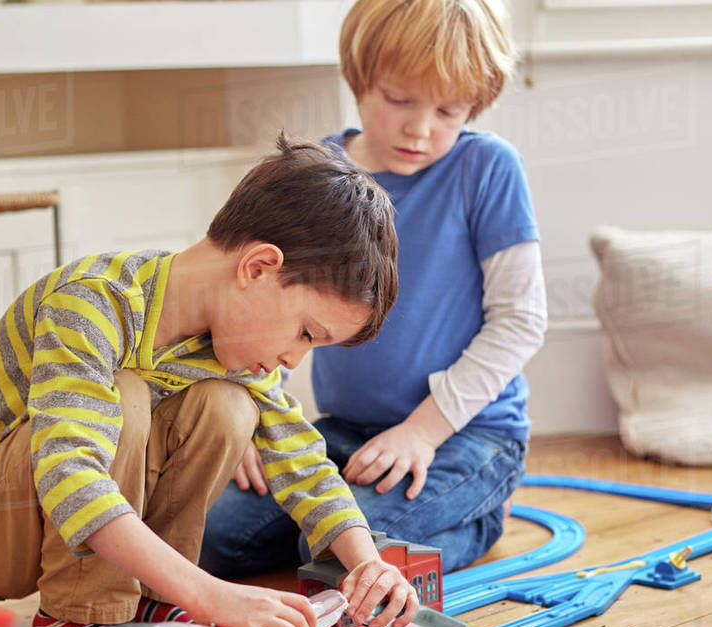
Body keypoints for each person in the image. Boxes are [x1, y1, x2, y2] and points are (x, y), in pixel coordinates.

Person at [0, 135, 419, 627]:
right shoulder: (94, 303)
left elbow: (304, 464)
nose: (295, 359)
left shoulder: (236, 350)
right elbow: (71, 476)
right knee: (124, 393)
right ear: (258, 268)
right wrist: (208, 593)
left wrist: (367, 561)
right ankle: (76, 617)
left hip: (59, 518)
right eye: (306, 333)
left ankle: (152, 602)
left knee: (229, 407)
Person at [201, 0, 547, 579]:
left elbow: (520, 320)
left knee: (343, 550)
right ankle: (441, 514)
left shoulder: (487, 168)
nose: (420, 127)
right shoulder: (318, 175)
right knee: (214, 541)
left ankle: (480, 511)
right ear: (360, 78)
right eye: (398, 99)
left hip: (465, 433)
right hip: (343, 431)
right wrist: (250, 423)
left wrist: (422, 432)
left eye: (448, 109)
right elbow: (270, 305)